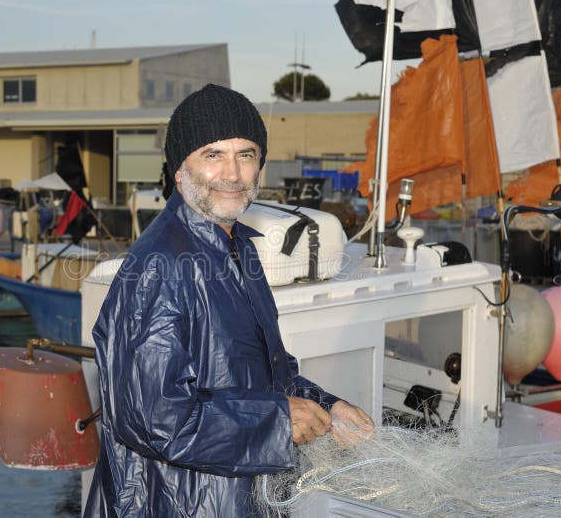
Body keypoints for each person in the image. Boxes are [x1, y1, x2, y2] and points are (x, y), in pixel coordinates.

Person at [84, 84, 374, 517]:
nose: (233, 174)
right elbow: (152, 420)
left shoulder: (241, 249)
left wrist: (327, 407)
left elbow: (265, 375)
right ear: (179, 170)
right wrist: (276, 422)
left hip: (242, 500)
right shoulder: (158, 268)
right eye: (213, 155)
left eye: (246, 154)